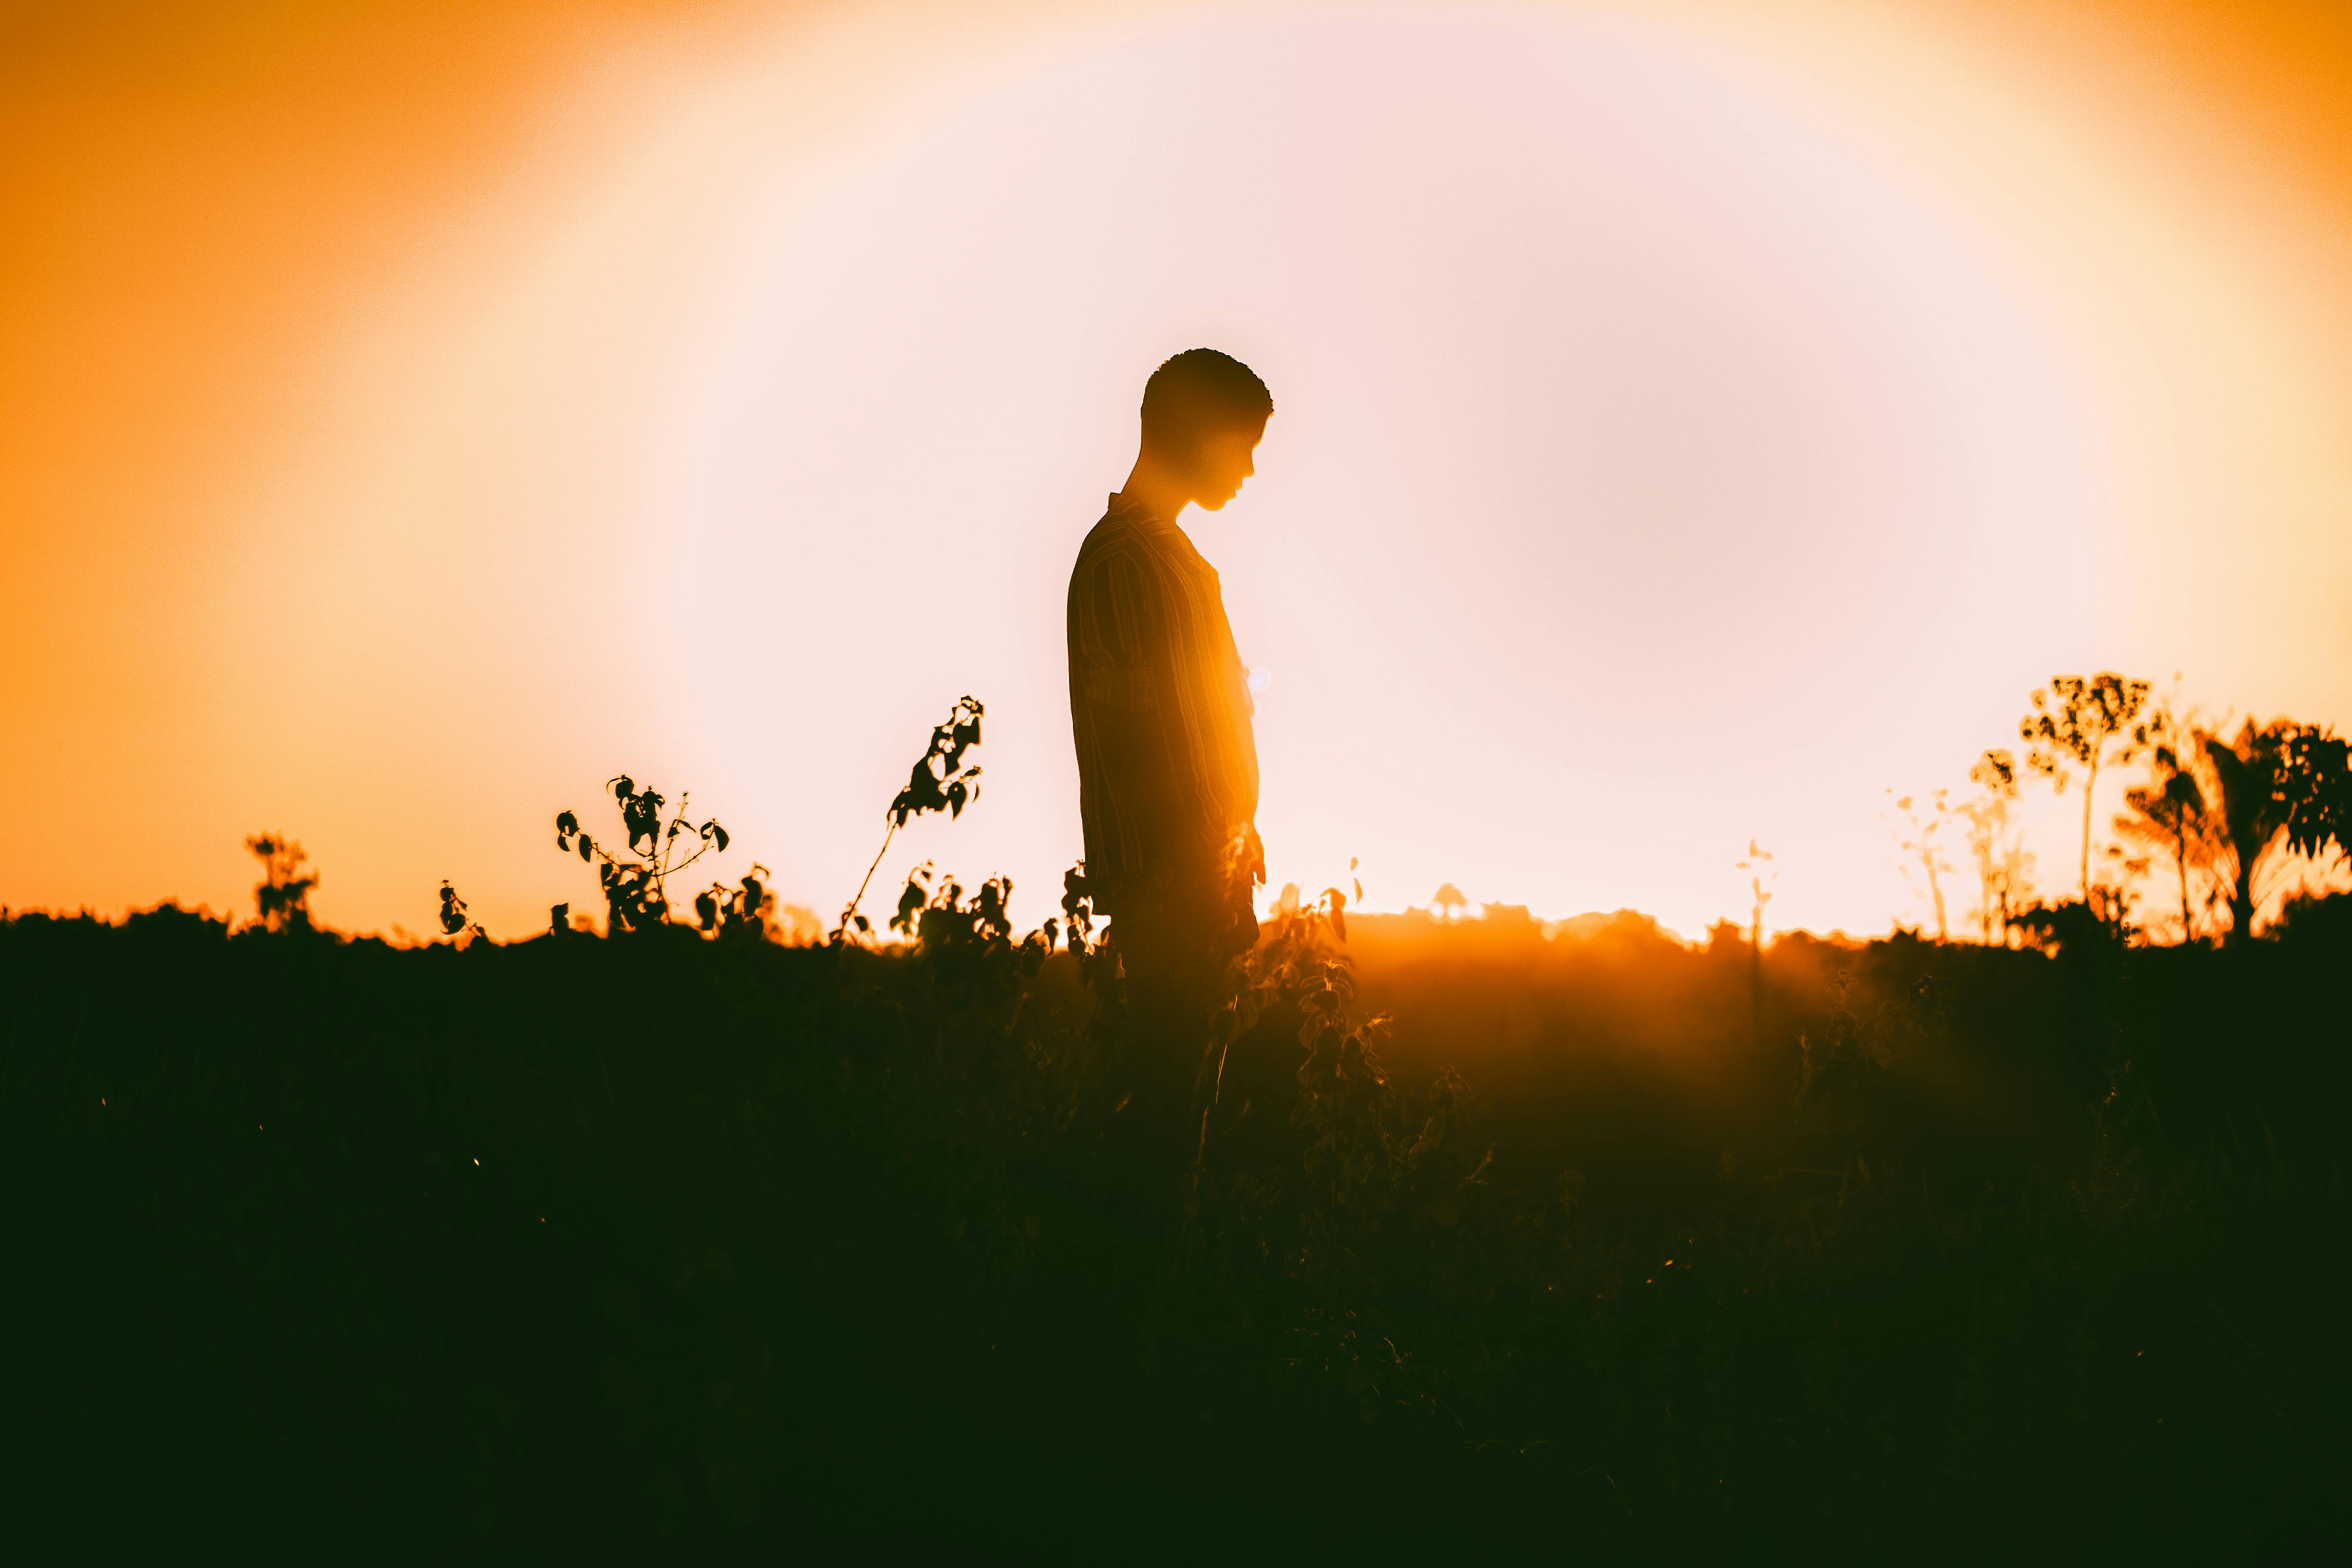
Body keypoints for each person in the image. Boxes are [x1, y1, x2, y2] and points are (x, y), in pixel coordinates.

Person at [1066, 348, 1272, 1130]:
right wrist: (1187, 886)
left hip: (1201, 890)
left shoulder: (1179, 563)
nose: (1250, 468)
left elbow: (1209, 724)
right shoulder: (1124, 560)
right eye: (1242, 445)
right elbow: (1136, 745)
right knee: (1158, 1118)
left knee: (1186, 1114)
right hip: (1169, 894)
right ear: (1192, 434)